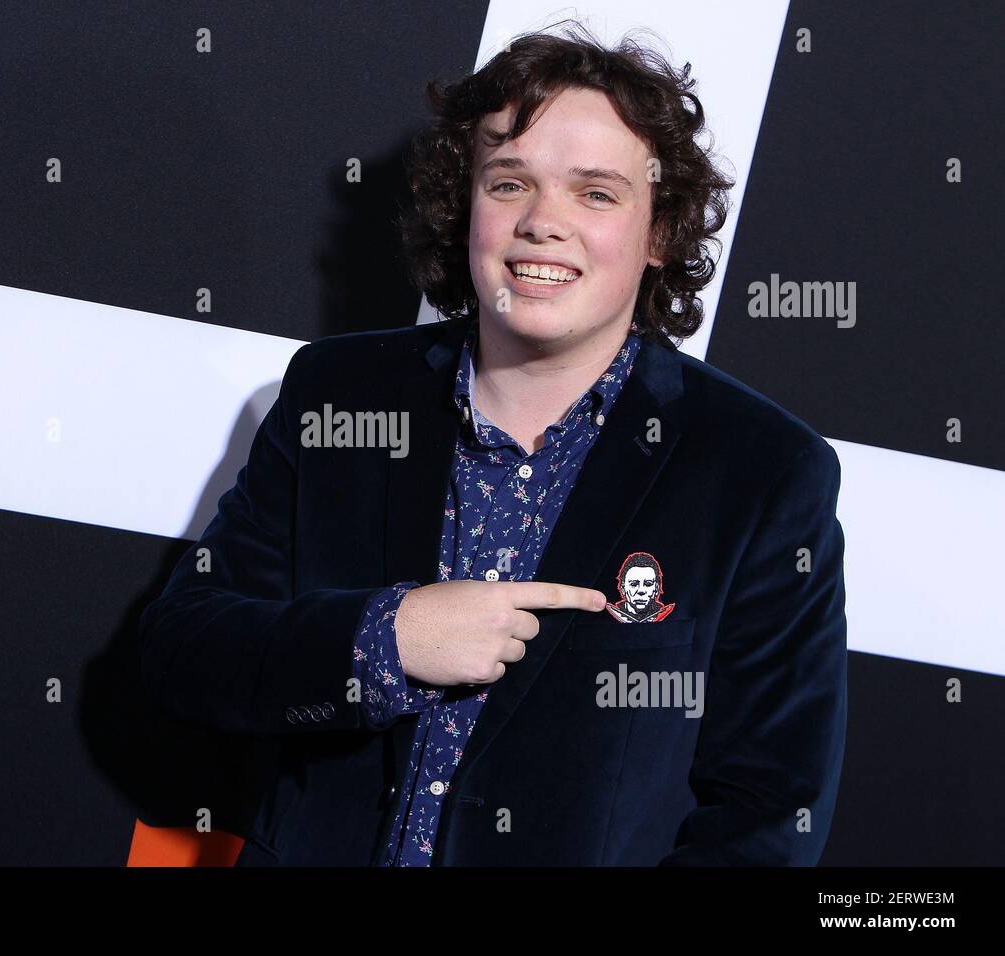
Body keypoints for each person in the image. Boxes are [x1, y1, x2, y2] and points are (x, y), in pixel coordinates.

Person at [137, 20, 847, 866]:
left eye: (596, 193)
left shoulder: (761, 472)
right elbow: (186, 652)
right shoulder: (338, 396)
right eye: (510, 183)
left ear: (659, 235)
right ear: (463, 206)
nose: (544, 223)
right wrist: (383, 639)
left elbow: (769, 812)